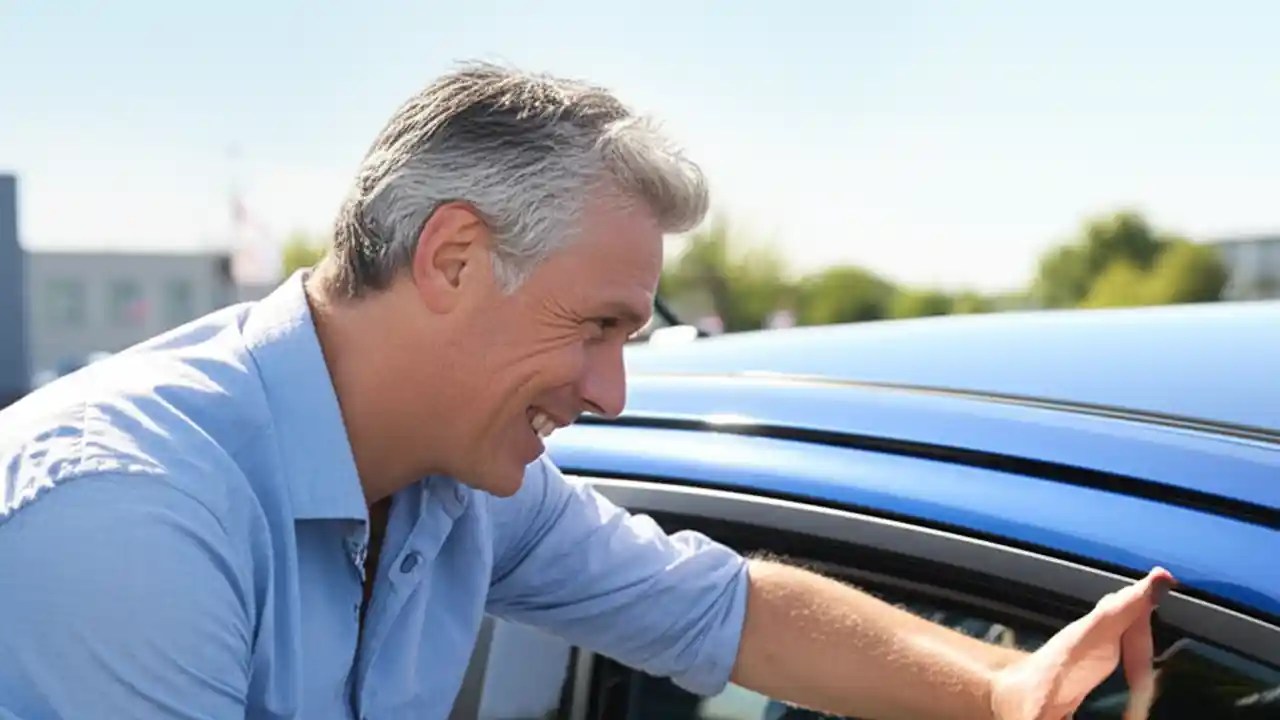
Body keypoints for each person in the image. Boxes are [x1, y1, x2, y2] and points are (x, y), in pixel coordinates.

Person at [0, 62, 1172, 720]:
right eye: (595, 328)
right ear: (452, 258)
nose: (612, 391)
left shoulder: (460, 482)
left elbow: (722, 612)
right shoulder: (127, 513)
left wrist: (1004, 691)